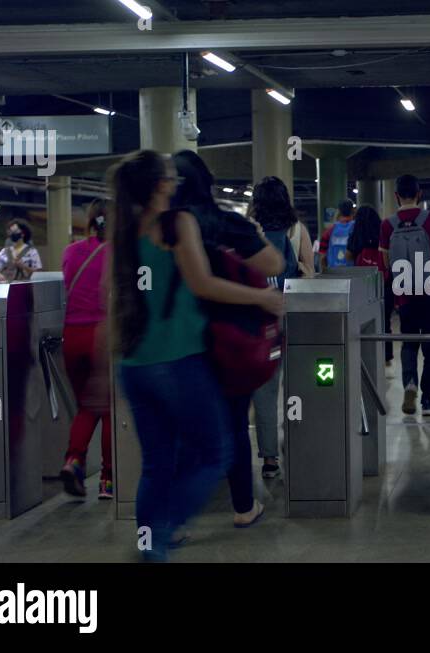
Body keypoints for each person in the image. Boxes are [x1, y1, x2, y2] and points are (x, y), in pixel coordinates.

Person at [109, 150, 282, 561]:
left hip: (133, 364)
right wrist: (262, 296)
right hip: (179, 358)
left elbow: (113, 300)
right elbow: (202, 283)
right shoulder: (179, 223)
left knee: (156, 463)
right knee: (216, 450)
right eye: (166, 177)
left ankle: (150, 545)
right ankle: (166, 528)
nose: (173, 182)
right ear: (158, 186)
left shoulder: (124, 230)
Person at [172, 150, 285, 528]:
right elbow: (273, 264)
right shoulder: (225, 223)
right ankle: (242, 507)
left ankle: (177, 512)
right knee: (234, 425)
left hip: (180, 340)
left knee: (186, 428)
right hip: (230, 340)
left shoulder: (163, 228)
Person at [248, 176, 310, 480]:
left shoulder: (249, 231)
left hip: (261, 315)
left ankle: (270, 458)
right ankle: (301, 444)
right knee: (299, 384)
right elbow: (309, 272)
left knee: (265, 389)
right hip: (295, 313)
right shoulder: (297, 230)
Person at [59, 200, 113, 499]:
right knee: (108, 409)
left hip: (72, 336)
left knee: (86, 405)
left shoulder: (71, 251)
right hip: (100, 336)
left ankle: (74, 459)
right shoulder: (118, 253)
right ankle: (108, 480)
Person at [379, 175, 430, 417]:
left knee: (409, 343)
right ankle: (428, 400)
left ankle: (410, 384)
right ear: (420, 194)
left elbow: (385, 261)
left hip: (404, 294)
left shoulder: (388, 225)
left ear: (396, 196)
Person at [347, 204, 394, 370]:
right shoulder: (383, 233)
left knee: (364, 320)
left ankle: (366, 354)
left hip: (363, 284)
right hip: (384, 282)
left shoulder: (356, 235)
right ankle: (386, 356)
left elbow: (349, 255)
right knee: (385, 320)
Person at [318, 199, 356, 271]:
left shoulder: (329, 231)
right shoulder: (356, 229)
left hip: (334, 273)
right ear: (353, 211)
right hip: (353, 272)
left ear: (339, 211)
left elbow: (323, 257)